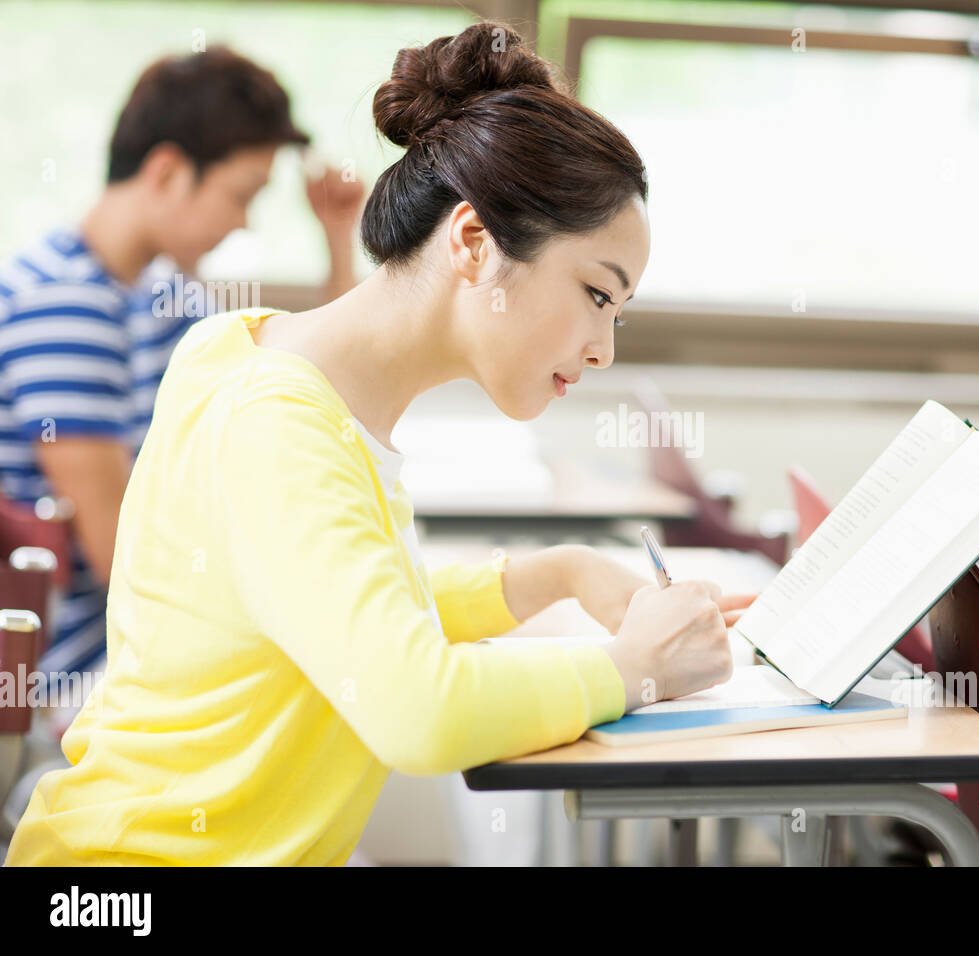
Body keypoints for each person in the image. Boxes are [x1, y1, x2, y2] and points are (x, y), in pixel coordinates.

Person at [3, 20, 754, 866]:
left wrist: (561, 573)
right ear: (472, 242)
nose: (602, 348)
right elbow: (414, 709)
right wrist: (634, 666)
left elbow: (345, 600)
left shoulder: (240, 346)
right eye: (594, 295)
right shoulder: (279, 419)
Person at [0, 45, 363, 737]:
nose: (245, 223)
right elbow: (121, 557)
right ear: (167, 171)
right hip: (69, 678)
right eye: (242, 194)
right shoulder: (64, 302)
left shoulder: (156, 296)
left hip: (121, 651)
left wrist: (340, 238)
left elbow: (322, 382)